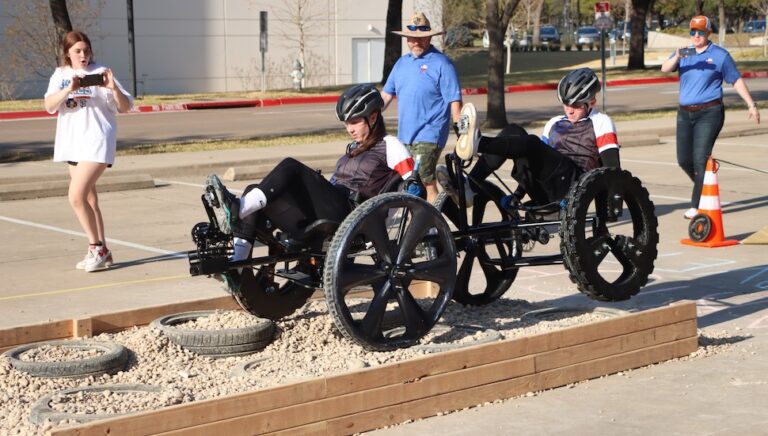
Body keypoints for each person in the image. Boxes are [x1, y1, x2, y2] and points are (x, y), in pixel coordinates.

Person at [204, 84, 420, 289]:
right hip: (332, 207)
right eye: (346, 123)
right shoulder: (354, 148)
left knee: (292, 167)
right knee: (254, 191)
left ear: (373, 117)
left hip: (354, 214)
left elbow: (413, 188)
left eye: (354, 122)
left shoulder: (390, 145)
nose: (349, 129)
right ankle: (236, 266)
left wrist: (400, 229)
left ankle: (237, 210)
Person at [449, 68, 621, 207]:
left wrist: (613, 204)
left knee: (532, 143)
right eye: (566, 104)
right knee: (513, 131)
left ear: (592, 101)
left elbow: (612, 167)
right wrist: (517, 196)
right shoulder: (554, 123)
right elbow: (535, 163)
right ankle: (469, 186)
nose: (569, 110)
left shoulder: (600, 121)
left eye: (575, 105)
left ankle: (478, 142)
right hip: (545, 188)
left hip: (574, 187)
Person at [44, 30, 133, 272]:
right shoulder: (61, 75)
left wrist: (113, 88)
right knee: (90, 199)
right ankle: (103, 250)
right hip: (73, 143)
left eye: (86, 50)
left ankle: (97, 248)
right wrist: (68, 89)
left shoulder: (102, 72)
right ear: (67, 53)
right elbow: (49, 105)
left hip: (97, 140)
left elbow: (125, 107)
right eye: (77, 51)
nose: (83, 55)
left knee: (75, 196)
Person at [660, 15, 760, 219]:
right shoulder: (685, 53)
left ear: (709, 33)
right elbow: (665, 69)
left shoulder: (719, 55)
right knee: (684, 160)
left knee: (700, 159)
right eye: (693, 32)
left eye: (700, 32)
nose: (696, 36)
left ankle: (697, 205)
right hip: (685, 113)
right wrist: (677, 56)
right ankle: (705, 187)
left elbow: (736, 80)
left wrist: (751, 105)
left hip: (710, 112)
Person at [381, 11, 463, 204]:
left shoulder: (442, 64)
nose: (416, 42)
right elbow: (385, 95)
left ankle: (430, 225)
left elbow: (454, 100)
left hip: (430, 134)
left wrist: (461, 132)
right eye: (412, 38)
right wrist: (370, 114)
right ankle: (435, 214)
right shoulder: (401, 64)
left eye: (421, 38)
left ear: (429, 37)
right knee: (410, 183)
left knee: (426, 180)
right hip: (405, 135)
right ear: (407, 38)